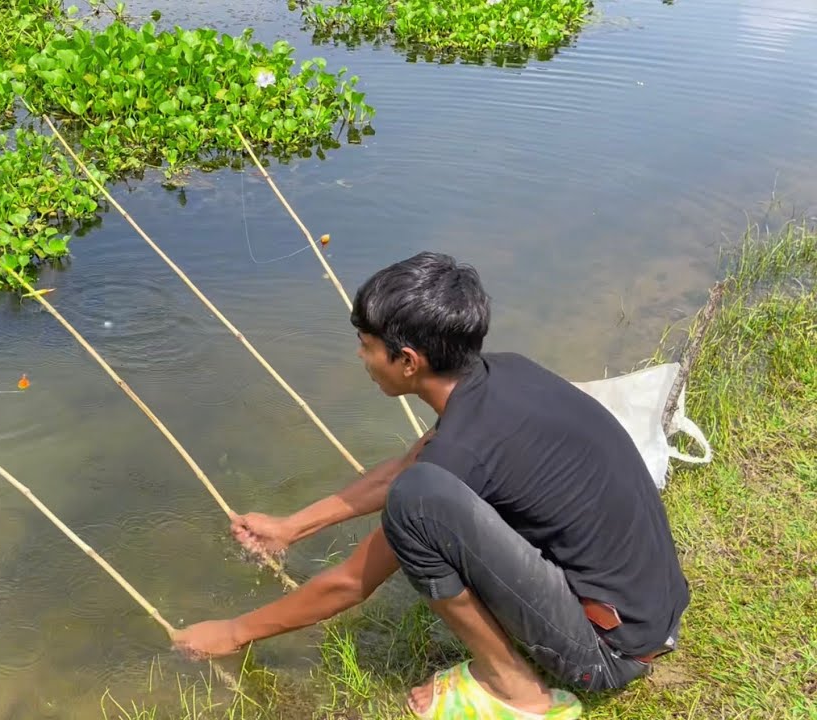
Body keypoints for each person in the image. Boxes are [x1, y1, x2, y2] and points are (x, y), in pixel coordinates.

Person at [171, 252, 689, 719]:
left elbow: (351, 583)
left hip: (610, 651)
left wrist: (233, 633)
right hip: (653, 613)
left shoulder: (456, 456)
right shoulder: (503, 373)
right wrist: (290, 527)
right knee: (418, 489)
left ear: (408, 361)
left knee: (413, 508)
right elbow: (407, 465)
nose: (360, 357)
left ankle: (516, 693)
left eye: (367, 345)